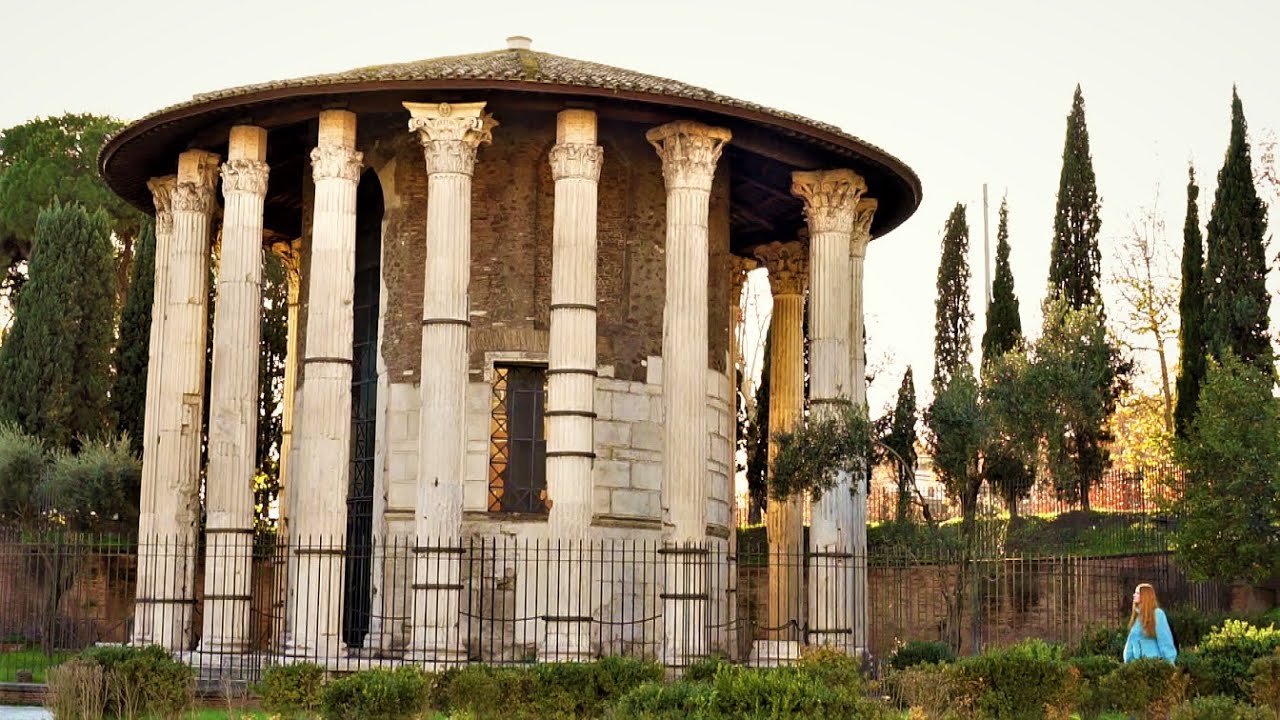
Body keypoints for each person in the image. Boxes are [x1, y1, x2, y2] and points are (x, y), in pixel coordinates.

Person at [1123, 583, 1177, 663]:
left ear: (1145, 596)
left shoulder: (1157, 614)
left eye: (1137, 593)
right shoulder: (1138, 617)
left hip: (1154, 663)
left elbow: (1165, 639)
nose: (1134, 595)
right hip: (1137, 664)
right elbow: (1131, 641)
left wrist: (1169, 662)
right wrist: (1128, 660)